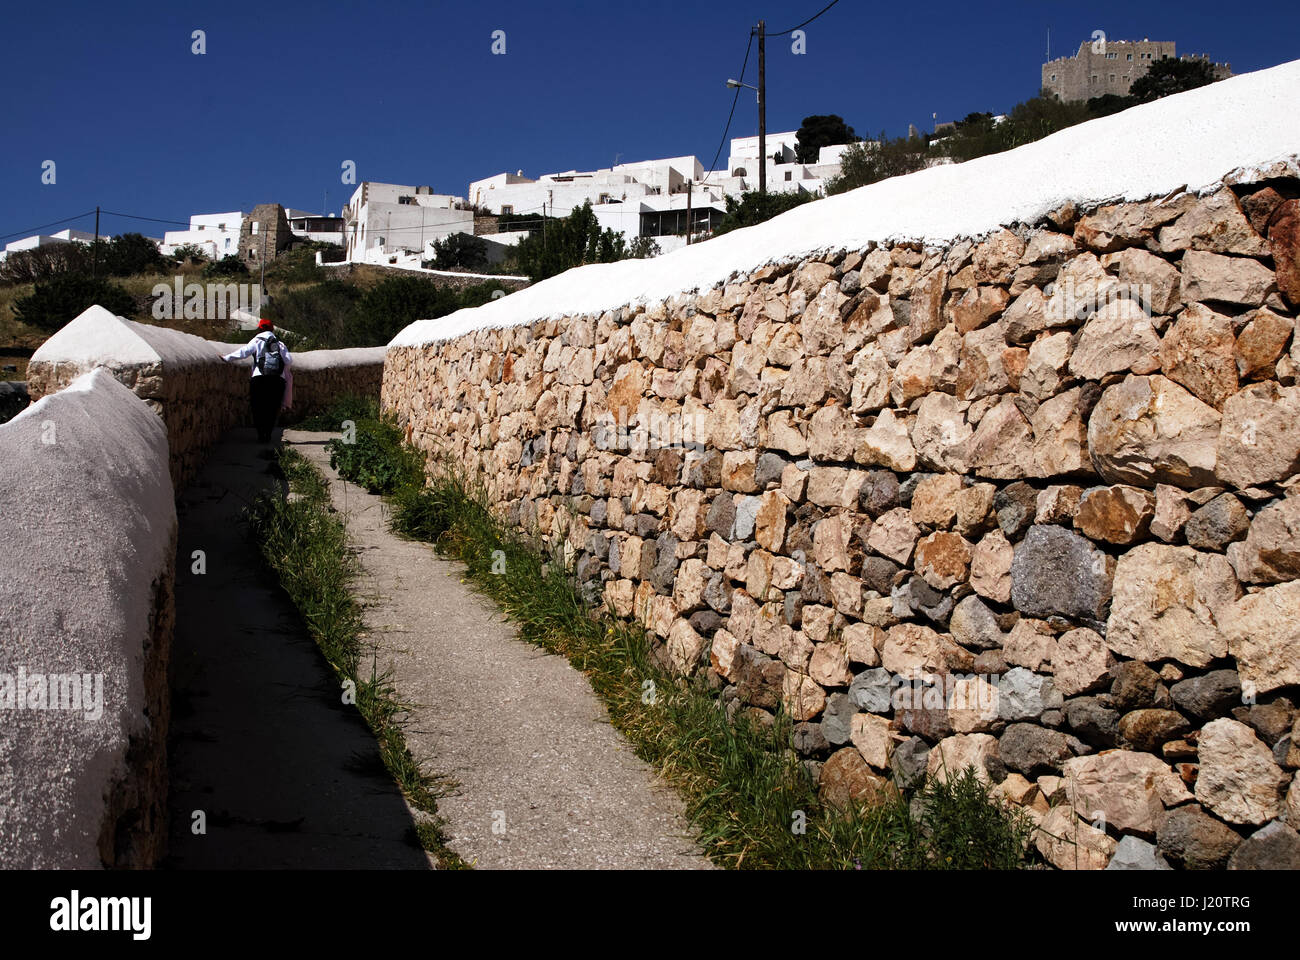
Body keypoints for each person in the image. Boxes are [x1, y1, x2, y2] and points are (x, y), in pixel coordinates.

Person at [223, 319, 293, 443]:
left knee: (258, 407)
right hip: (277, 380)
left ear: (260, 329)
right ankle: (268, 434)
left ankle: (261, 434)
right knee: (272, 408)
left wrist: (227, 358)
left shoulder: (256, 341)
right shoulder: (280, 344)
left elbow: (243, 352)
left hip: (259, 378)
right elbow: (288, 360)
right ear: (272, 329)